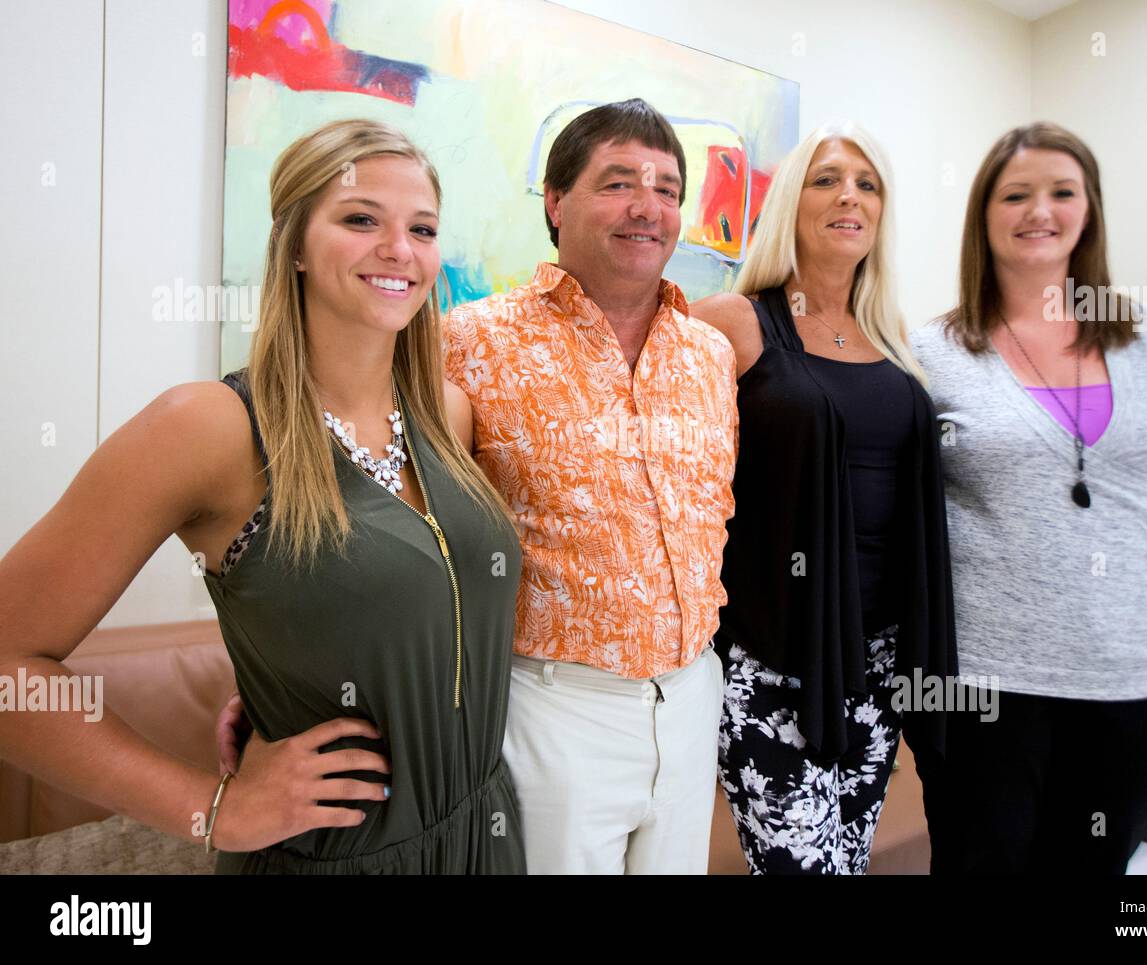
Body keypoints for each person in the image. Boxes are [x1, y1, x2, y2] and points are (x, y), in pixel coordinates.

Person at [0, 118, 526, 874]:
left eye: (422, 227)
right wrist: (212, 808)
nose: (400, 250)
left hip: (482, 830)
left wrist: (290, 672)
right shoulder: (208, 428)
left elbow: (408, 607)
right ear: (296, 246)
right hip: (339, 858)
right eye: (359, 219)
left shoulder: (448, 412)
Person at [909, 121, 1147, 874]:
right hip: (981, 691)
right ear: (983, 215)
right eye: (1016, 194)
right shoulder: (932, 352)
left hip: (1134, 685)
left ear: (1089, 208)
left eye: (1063, 192)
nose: (1041, 211)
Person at [441, 98, 739, 874]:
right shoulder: (468, 340)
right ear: (555, 199)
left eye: (668, 188)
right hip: (551, 707)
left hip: (691, 696)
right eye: (618, 182)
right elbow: (405, 530)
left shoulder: (709, 354)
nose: (648, 207)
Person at [691, 122, 956, 874]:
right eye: (827, 179)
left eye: (868, 185)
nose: (850, 197)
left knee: (848, 858)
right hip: (774, 660)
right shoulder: (733, 323)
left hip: (878, 659)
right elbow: (675, 480)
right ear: (790, 205)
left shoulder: (891, 335)